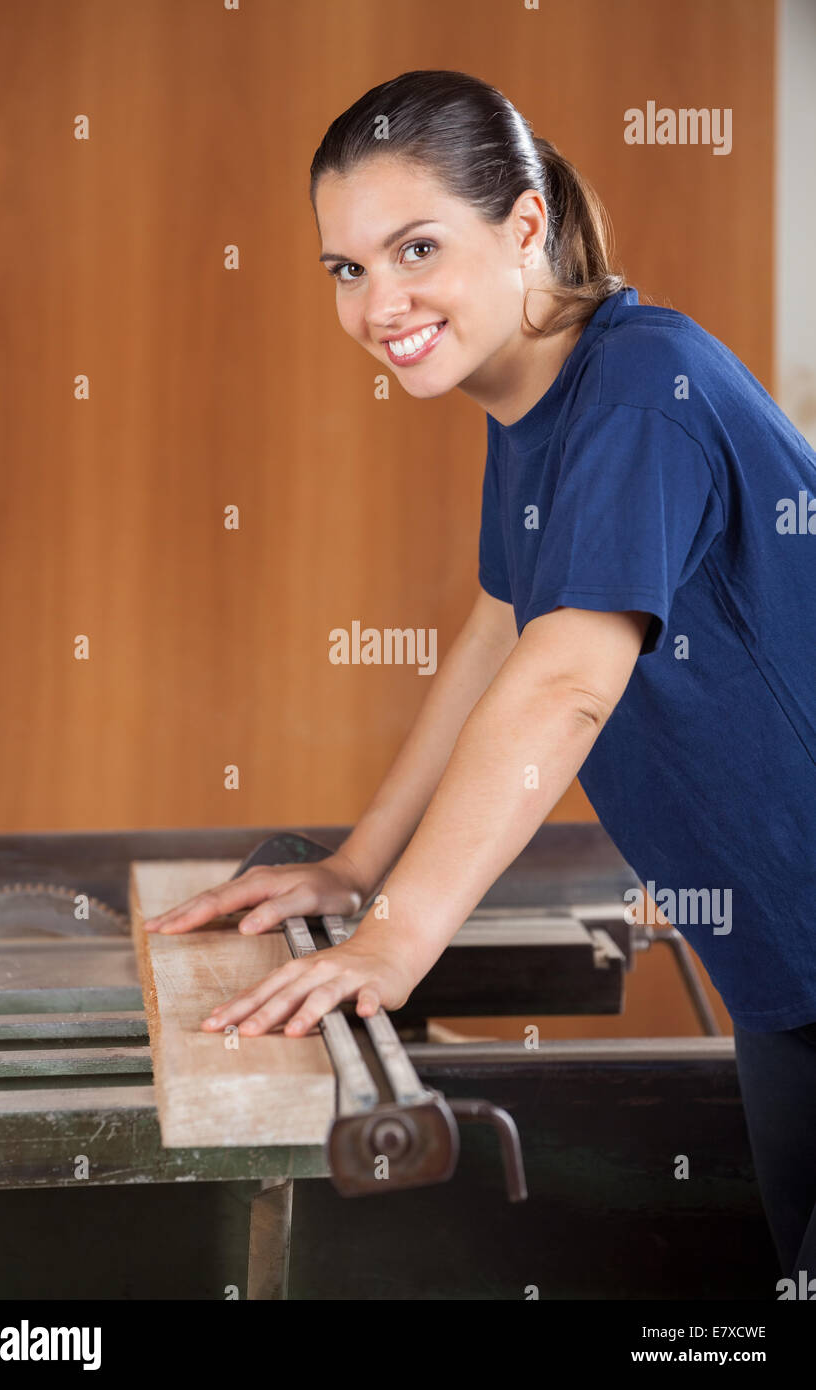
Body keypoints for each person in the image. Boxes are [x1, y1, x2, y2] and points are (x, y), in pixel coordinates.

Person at [144, 70, 816, 1286]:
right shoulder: (537, 403)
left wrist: (393, 946)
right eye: (345, 269)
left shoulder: (636, 390)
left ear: (520, 225)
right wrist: (363, 866)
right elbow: (507, 624)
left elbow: (566, 684)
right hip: (785, 962)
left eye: (414, 248)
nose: (376, 302)